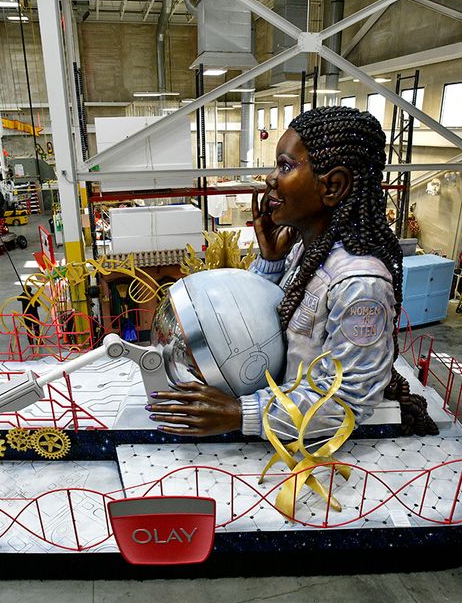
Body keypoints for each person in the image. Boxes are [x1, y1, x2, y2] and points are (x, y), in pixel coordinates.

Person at [148, 106, 438, 439]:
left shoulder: (360, 286)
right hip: (283, 417)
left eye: (285, 166)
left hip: (313, 449)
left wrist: (239, 413)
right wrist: (271, 260)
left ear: (333, 186)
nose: (270, 178)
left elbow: (344, 403)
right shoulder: (305, 250)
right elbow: (261, 321)